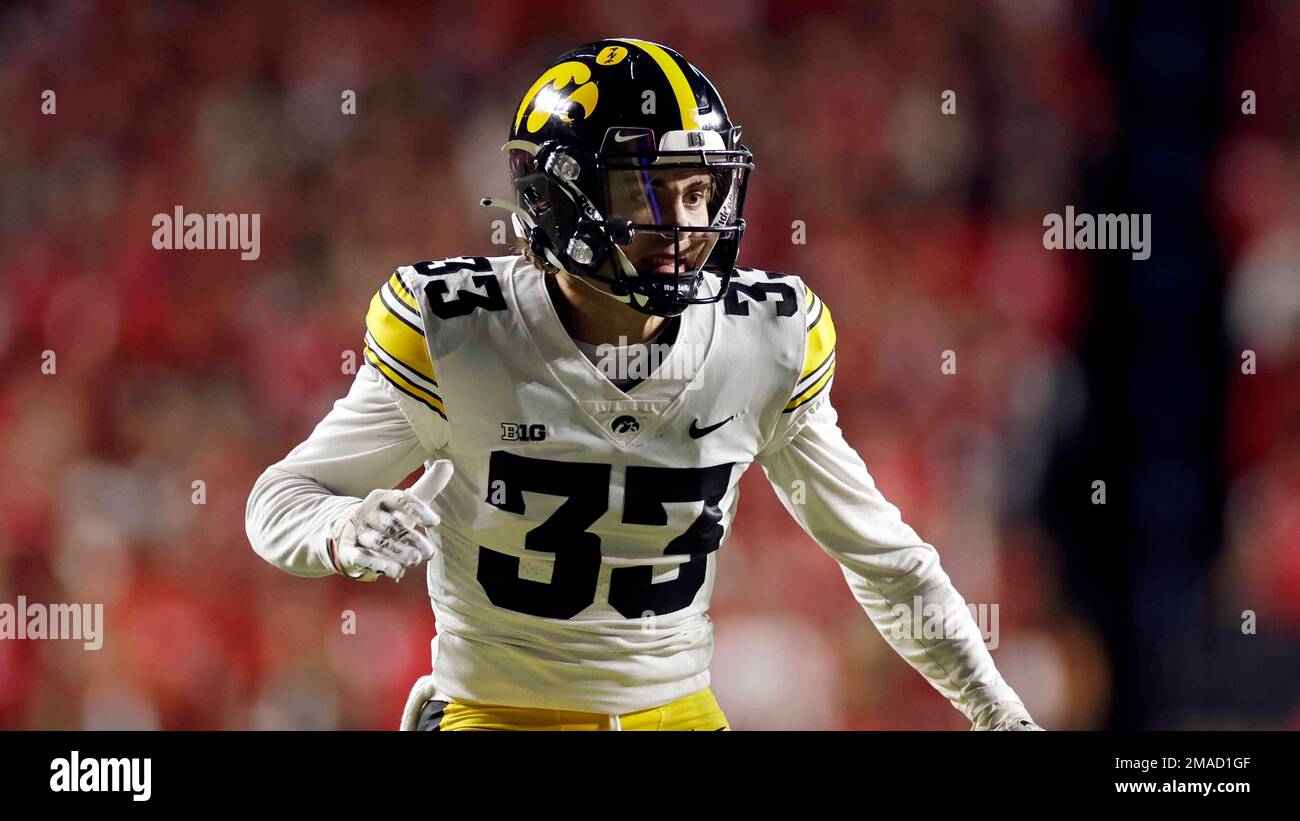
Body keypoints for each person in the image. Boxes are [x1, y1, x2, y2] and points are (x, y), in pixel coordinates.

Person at [245, 37, 1040, 732]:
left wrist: (994, 706)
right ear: (558, 196)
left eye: (700, 190)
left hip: (678, 712)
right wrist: (343, 528)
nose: (686, 221)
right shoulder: (463, 333)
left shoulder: (761, 340)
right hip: (498, 709)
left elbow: (882, 556)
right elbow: (280, 500)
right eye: (650, 186)